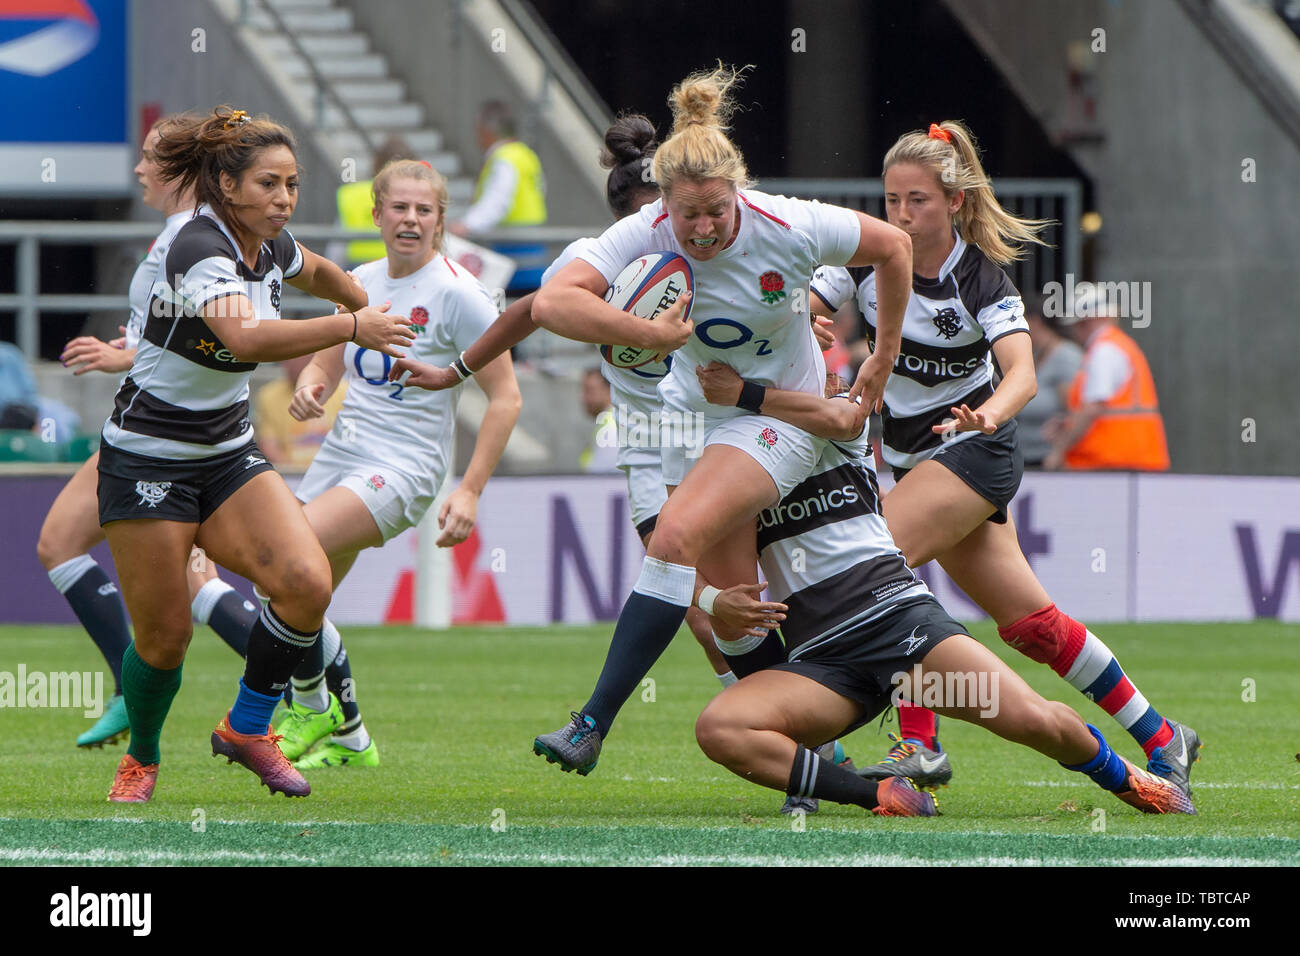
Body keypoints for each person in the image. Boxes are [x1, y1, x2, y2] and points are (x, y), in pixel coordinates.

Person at [526, 63, 912, 776]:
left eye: (716, 211)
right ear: (663, 204)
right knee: (725, 611)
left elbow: (894, 247)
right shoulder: (647, 232)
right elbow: (551, 305)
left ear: (739, 192)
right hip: (701, 417)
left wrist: (880, 362)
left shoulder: (789, 224)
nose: (701, 229)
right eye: (687, 215)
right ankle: (816, 759)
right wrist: (646, 334)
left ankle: (591, 724)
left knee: (670, 541)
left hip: (781, 416)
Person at [794, 120, 1196, 797]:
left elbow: (1023, 375)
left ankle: (918, 744)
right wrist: (804, 320)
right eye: (891, 200)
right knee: (1033, 626)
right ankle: (1162, 735)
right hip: (913, 462)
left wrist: (992, 413)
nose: (899, 214)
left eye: (916, 200)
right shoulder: (866, 255)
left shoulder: (982, 282)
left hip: (975, 452)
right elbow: (805, 302)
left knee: (878, 565)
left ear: (953, 202)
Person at [691, 376, 1194, 816]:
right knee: (722, 727)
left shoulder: (835, 406)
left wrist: (747, 393)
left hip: (900, 629)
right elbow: (717, 575)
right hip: (825, 665)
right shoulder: (726, 453)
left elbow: (843, 418)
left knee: (1035, 721)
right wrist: (715, 601)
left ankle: (1129, 779)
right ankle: (881, 795)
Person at [97, 105, 414, 802]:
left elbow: (318, 269)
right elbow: (243, 340)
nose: (285, 199)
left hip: (226, 451)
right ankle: (142, 757)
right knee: (164, 640)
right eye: (270, 184)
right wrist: (354, 322)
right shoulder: (195, 246)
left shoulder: (268, 242)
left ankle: (247, 728)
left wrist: (362, 295)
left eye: (293, 185)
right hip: (148, 459)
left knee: (305, 581)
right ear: (226, 184)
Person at [396, 113, 737, 693]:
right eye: (645, 213)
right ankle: (772, 725)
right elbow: (522, 314)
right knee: (695, 605)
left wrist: (810, 314)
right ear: (622, 219)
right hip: (652, 446)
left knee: (760, 586)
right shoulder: (595, 260)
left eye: (668, 210)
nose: (663, 226)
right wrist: (455, 370)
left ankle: (804, 720)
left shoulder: (715, 247)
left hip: (725, 432)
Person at [262, 158, 521, 769]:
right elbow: (333, 351)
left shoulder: (460, 295)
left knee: (285, 559)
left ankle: (308, 708)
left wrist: (471, 491)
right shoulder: (360, 279)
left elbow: (506, 398)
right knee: (299, 592)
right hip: (342, 456)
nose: (410, 219)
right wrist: (315, 388)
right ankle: (350, 735)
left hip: (404, 469)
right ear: (376, 214)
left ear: (439, 221)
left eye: (423, 210)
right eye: (399, 208)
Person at [37, 116, 255, 750]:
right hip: (152, 427)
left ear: (180, 168)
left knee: (249, 579)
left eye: (148, 157)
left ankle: (299, 680)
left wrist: (124, 356)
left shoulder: (192, 239)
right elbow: (170, 333)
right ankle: (133, 686)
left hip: (176, 434)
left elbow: (216, 340)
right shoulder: (178, 236)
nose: (137, 168)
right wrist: (127, 349)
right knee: (65, 545)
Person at [1042, 285, 1169, 471]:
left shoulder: (1104, 351)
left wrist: (1059, 450)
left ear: (1084, 322)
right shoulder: (1117, 345)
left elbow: (1092, 408)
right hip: (1129, 460)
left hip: (1113, 462)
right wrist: (1069, 423)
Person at [449, 101, 548, 290]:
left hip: (511, 251)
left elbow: (497, 202)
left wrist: (466, 225)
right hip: (534, 249)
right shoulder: (525, 154)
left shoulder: (503, 159)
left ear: (487, 131)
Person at [1017, 293, 1082, 467]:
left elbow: (1073, 409)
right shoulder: (1035, 354)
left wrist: (1058, 452)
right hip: (1024, 455)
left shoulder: (1066, 356)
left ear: (1035, 321)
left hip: (1048, 459)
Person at [334, 135, 415, 266]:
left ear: (376, 162)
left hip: (356, 267)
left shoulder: (353, 194)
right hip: (400, 266)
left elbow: (337, 247)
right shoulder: (418, 197)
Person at [253, 355, 346, 468]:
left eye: (294, 356)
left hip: (334, 471)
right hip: (292, 475)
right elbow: (268, 445)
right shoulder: (269, 395)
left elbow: (350, 442)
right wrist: (294, 474)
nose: (287, 362)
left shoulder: (345, 391)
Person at [577, 367, 619, 473]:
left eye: (589, 390)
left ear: (609, 390)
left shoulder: (611, 428)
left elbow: (599, 474)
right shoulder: (608, 422)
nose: (583, 398)